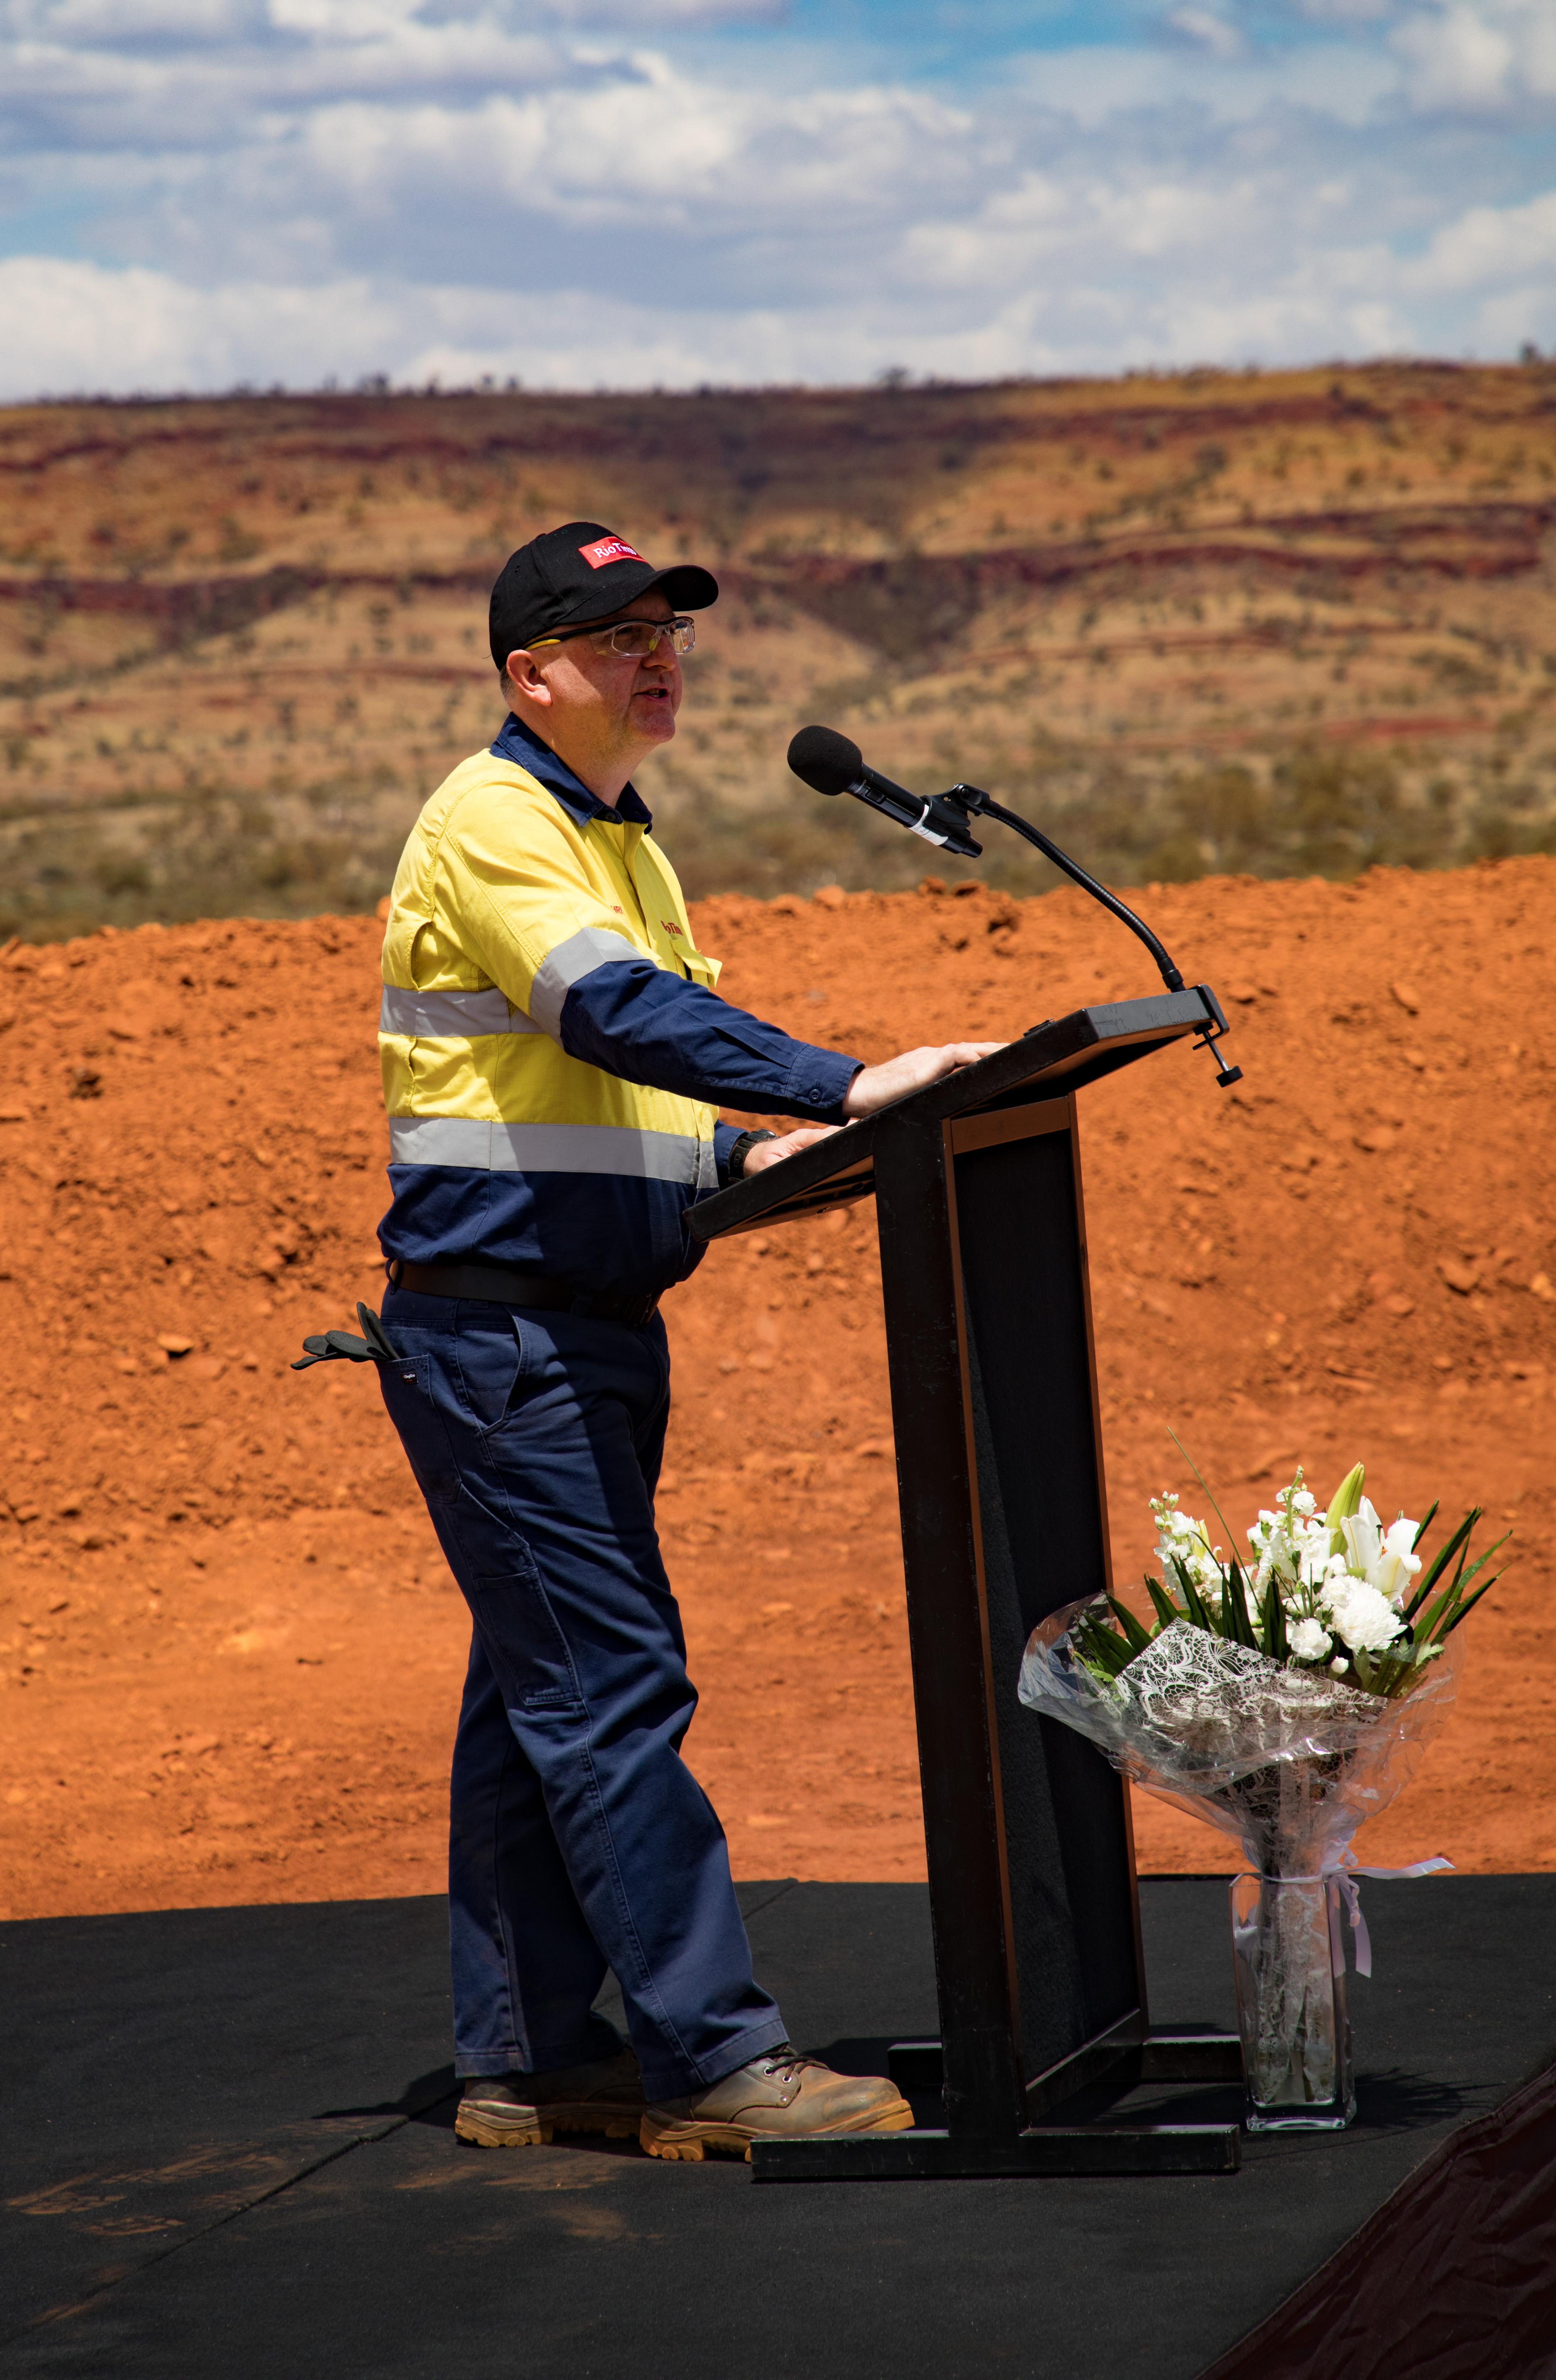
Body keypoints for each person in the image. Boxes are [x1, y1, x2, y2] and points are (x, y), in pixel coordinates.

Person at [373, 520, 1001, 2161]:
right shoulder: (496, 821)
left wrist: (744, 1155)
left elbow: (609, 1094)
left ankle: (527, 2060)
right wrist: (844, 1082)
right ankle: (713, 2060)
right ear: (531, 671)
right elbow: (613, 1015)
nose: (659, 654)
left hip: (570, 1331)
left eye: (672, 627)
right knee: (609, 1692)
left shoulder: (616, 837)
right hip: (505, 1345)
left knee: (541, 1697)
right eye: (618, 631)